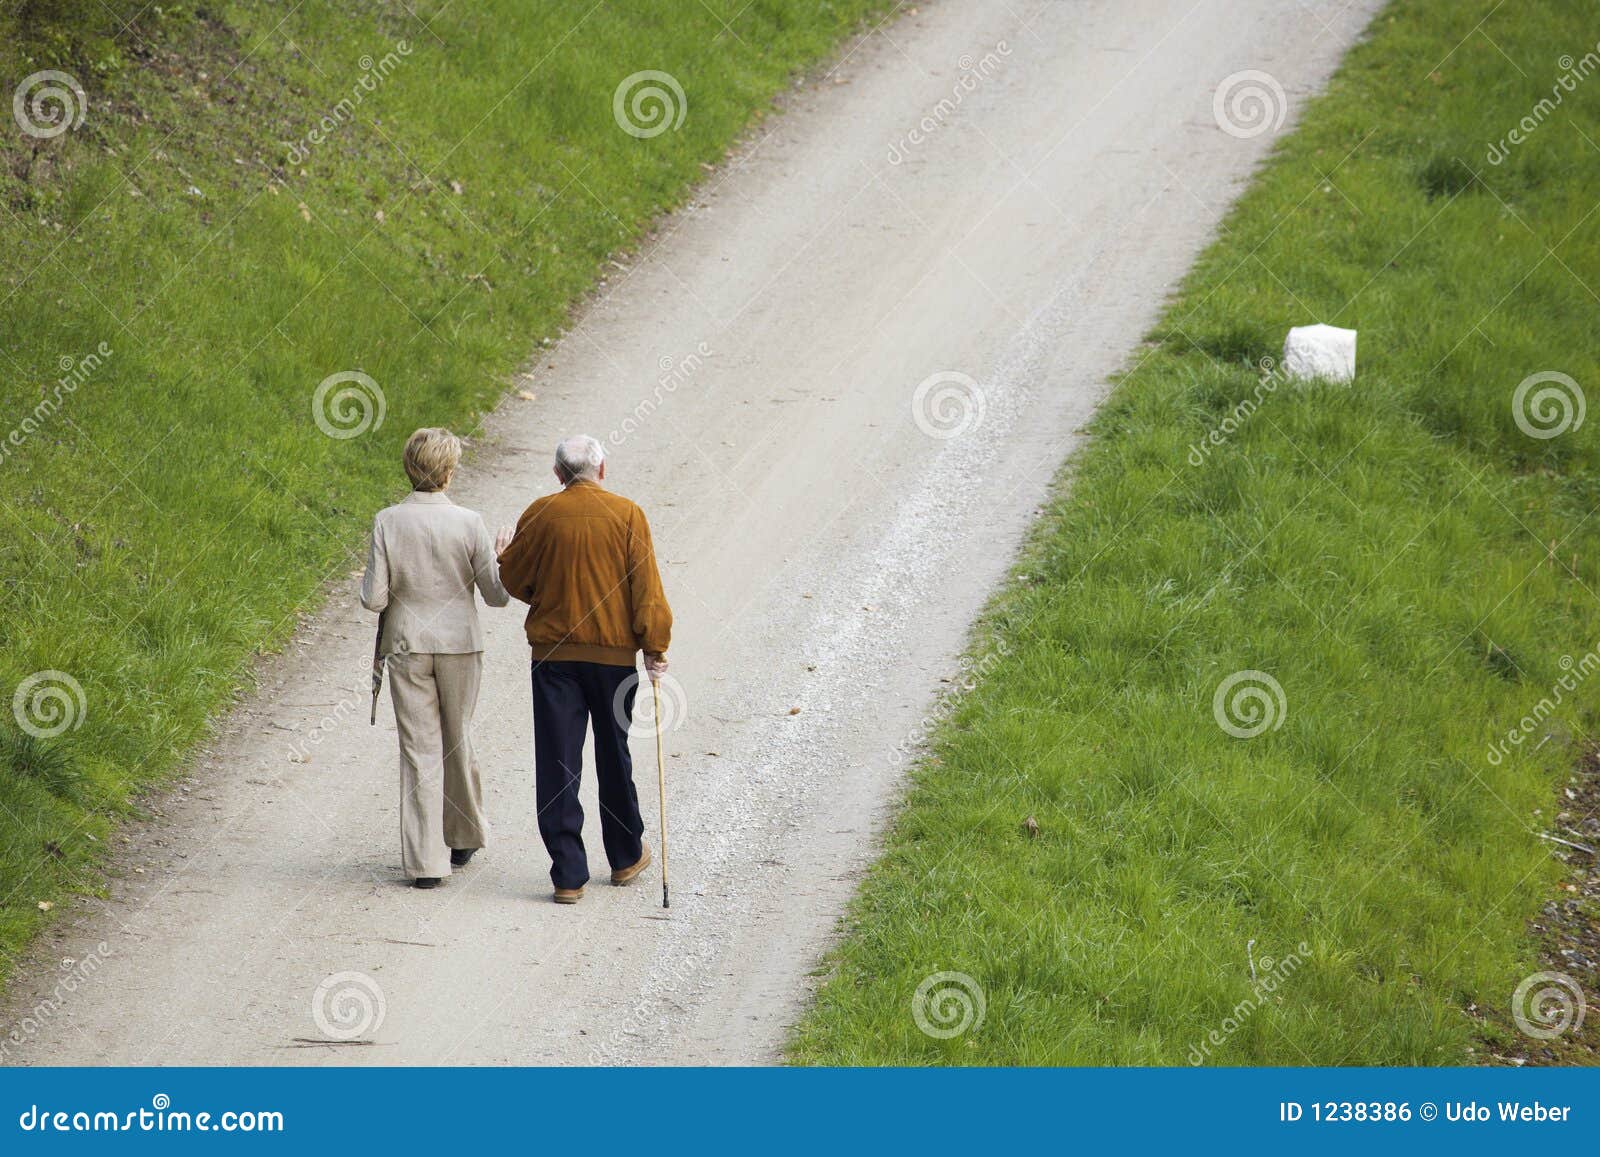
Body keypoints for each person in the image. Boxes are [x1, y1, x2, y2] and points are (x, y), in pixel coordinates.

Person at [497, 435, 672, 904]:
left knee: (558, 761)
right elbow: (646, 588)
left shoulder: (540, 514)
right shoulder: (628, 514)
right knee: (614, 755)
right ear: (602, 469)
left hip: (554, 659)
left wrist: (505, 554)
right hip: (614, 661)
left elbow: (515, 580)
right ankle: (624, 855)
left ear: (558, 474)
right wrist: (655, 646)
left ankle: (568, 875)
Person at [360, 427, 512, 889]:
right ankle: (463, 834)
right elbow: (498, 595)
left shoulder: (387, 521)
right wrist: (503, 557)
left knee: (418, 749)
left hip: (407, 644)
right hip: (461, 643)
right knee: (457, 738)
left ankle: (426, 863)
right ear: (449, 471)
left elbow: (374, 599)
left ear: (410, 466)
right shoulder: (470, 522)